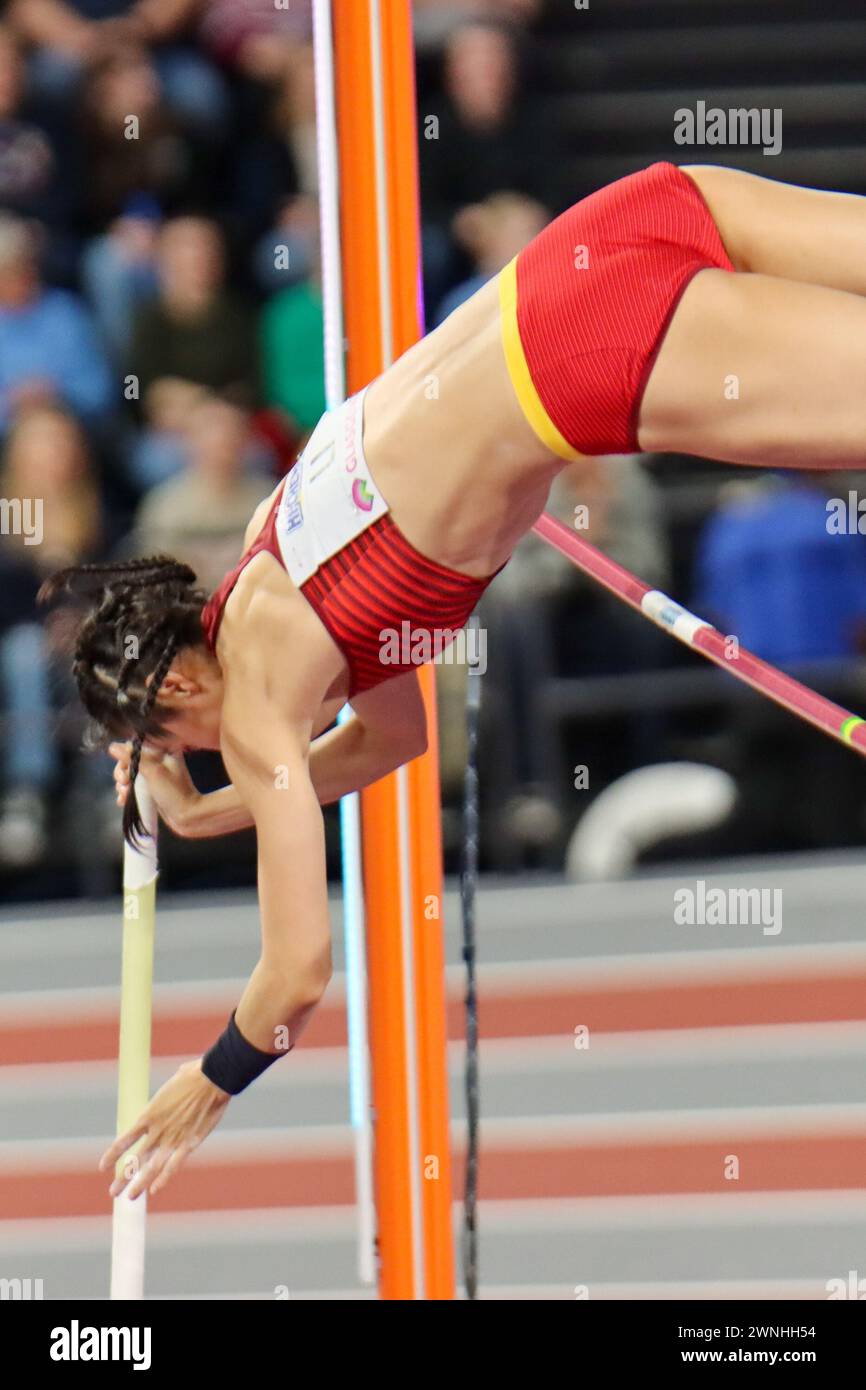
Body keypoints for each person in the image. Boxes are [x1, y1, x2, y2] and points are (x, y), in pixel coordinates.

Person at [42, 161, 866, 1199]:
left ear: (171, 696)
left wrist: (208, 1083)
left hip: (584, 355)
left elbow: (294, 973)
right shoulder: (266, 547)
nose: (208, 756)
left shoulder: (255, 705)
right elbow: (394, 736)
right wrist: (206, 816)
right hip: (603, 232)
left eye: (178, 745)